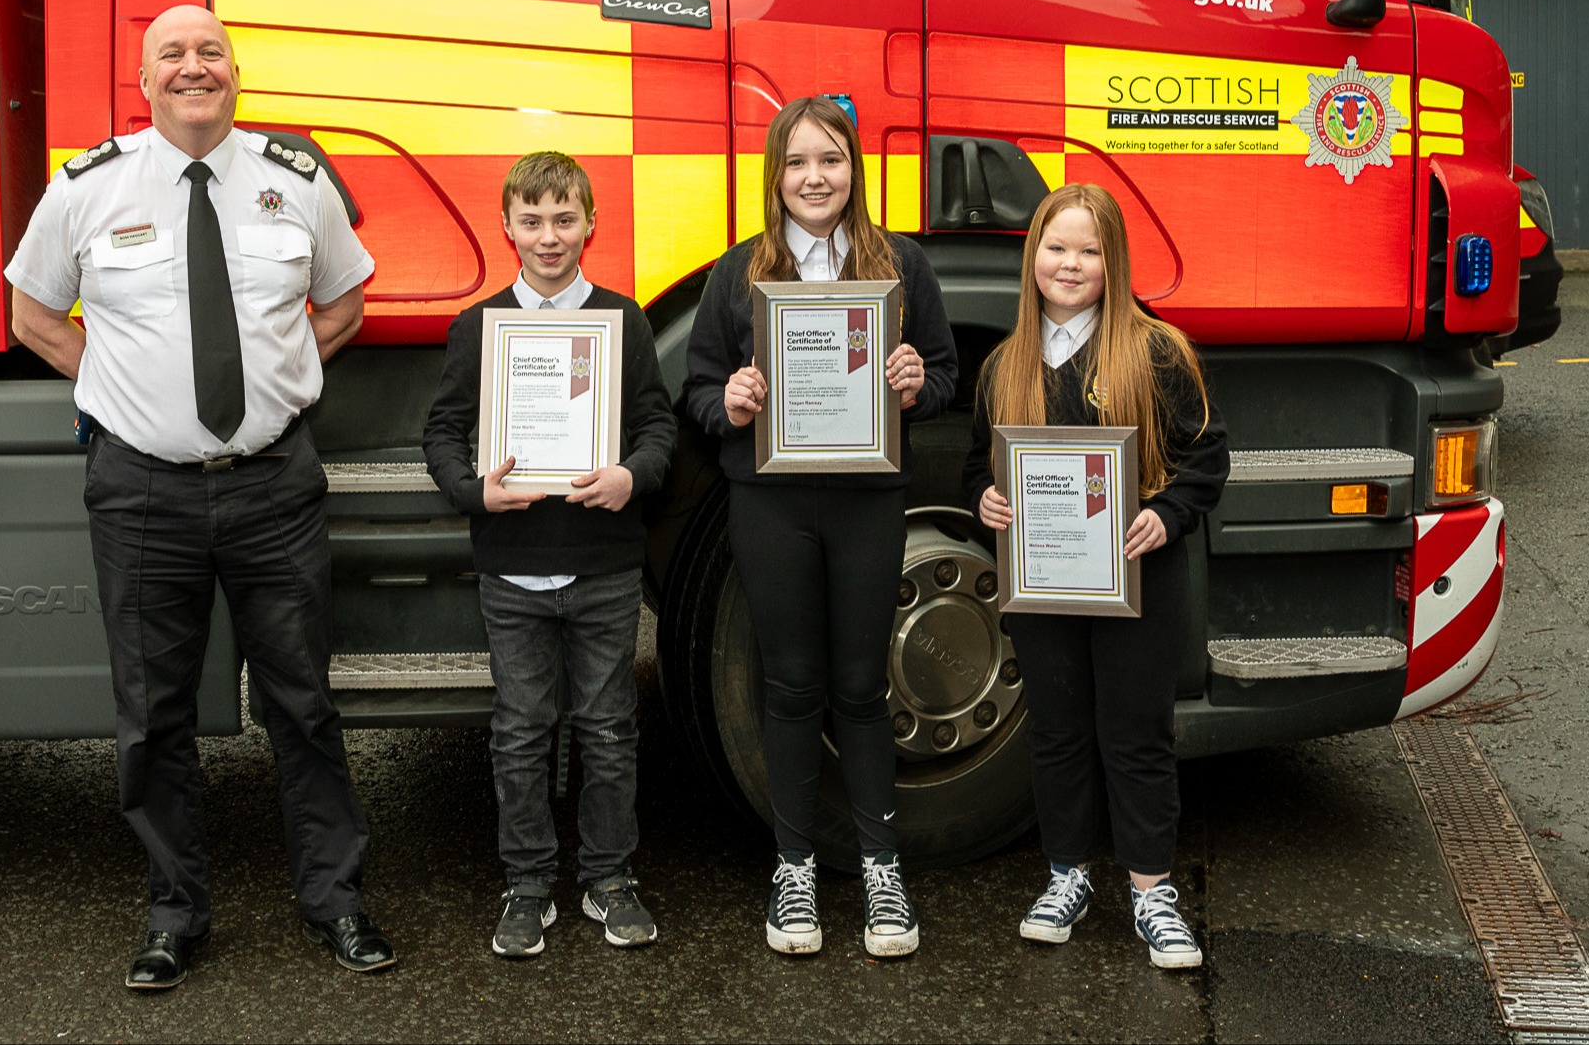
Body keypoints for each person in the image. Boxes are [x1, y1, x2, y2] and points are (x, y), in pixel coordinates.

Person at [6, 4, 396, 987]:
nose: (194, 67)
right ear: (143, 80)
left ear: (235, 73)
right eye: (172, 54)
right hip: (142, 491)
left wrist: (277, 376)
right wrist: (117, 385)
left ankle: (336, 900)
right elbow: (32, 313)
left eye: (210, 52)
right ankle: (173, 913)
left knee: (303, 704)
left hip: (273, 486)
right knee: (153, 715)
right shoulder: (86, 187)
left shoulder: (293, 179)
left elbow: (345, 302)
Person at [683, 96, 956, 957]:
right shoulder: (737, 272)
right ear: (776, 175)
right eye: (798, 162)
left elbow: (945, 375)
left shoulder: (901, 265)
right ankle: (794, 866)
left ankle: (881, 867)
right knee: (792, 685)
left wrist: (916, 382)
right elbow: (697, 392)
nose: (814, 178)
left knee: (862, 687)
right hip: (770, 505)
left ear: (854, 170)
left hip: (866, 502)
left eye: (831, 160)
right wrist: (729, 402)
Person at [963, 182, 1228, 970]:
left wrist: (1169, 514)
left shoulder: (1156, 352)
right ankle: (1067, 875)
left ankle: (1152, 890)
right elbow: (979, 462)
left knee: (1135, 733)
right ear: (1032, 258)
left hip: (1136, 579)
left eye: (1089, 250)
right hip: (1044, 583)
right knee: (1057, 730)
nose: (1070, 263)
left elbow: (1206, 457)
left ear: (1114, 261)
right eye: (1056, 247)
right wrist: (982, 498)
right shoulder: (1004, 364)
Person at [423, 152, 676, 958]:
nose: (549, 236)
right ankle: (528, 884)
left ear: (591, 224)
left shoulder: (623, 322)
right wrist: (473, 490)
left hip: (603, 565)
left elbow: (657, 426)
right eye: (532, 220)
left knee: (609, 729)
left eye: (565, 219)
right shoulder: (480, 328)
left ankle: (609, 878)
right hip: (513, 566)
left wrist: (631, 474)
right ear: (506, 226)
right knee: (521, 732)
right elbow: (441, 432)